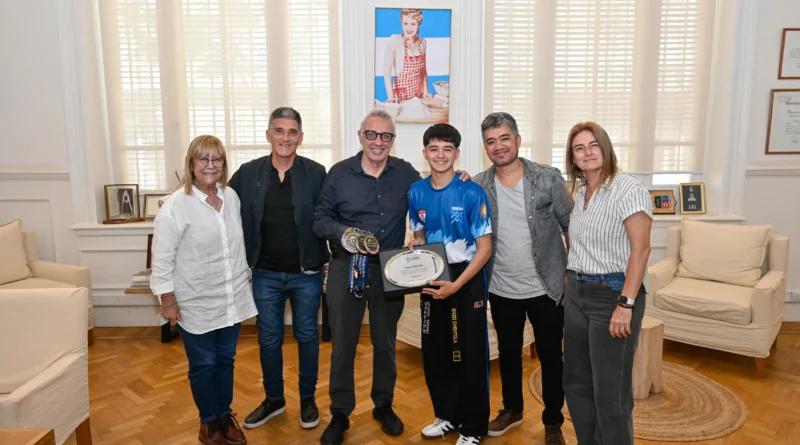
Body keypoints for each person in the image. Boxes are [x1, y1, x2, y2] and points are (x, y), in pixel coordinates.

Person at [312, 109, 469, 445]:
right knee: (343, 345)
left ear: (392, 140)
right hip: (346, 268)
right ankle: (340, 413)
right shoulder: (339, 173)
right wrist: (344, 233)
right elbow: (320, 220)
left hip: (390, 269)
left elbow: (433, 192)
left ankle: (383, 405)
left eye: (385, 136)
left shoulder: (406, 173)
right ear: (361, 136)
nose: (378, 142)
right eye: (371, 134)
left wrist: (460, 179)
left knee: (385, 343)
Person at [151, 135, 257, 445]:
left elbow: (235, 246)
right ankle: (208, 421)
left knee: (226, 360)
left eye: (217, 159)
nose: (210, 165)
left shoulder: (231, 197)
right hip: (195, 300)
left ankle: (224, 414)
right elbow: (162, 259)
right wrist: (168, 302)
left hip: (231, 297)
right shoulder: (175, 206)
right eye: (203, 159)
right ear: (191, 164)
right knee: (203, 364)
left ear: (224, 163)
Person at [473, 112, 572, 445]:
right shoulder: (479, 185)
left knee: (551, 357)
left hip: (547, 286)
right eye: (491, 141)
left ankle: (553, 421)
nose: (498, 146)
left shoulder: (547, 178)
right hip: (502, 288)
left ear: (517, 140)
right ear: (486, 147)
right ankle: (512, 410)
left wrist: (570, 273)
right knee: (509, 353)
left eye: (504, 138)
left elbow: (570, 225)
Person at [228, 107, 329, 431]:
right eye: (280, 131)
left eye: (292, 131)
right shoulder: (248, 173)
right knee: (269, 339)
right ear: (269, 135)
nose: (286, 137)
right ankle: (274, 399)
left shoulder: (316, 173)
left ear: (301, 137)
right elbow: (221, 201)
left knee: (307, 336)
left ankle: (308, 399)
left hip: (306, 273)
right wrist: (183, 197)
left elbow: (333, 210)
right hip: (264, 274)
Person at [562, 122, 652, 445]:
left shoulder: (628, 189)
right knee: (575, 382)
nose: (587, 153)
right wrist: (569, 280)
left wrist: (625, 305)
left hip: (613, 296)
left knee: (609, 392)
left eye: (594, 145)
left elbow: (641, 250)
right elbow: (579, 244)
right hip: (577, 294)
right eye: (579, 148)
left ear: (606, 148)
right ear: (573, 157)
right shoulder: (579, 192)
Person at [407, 124, 492, 445]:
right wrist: (416, 245)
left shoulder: (471, 192)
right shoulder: (416, 191)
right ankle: (448, 415)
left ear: (457, 153)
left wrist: (457, 286)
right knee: (436, 351)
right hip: (432, 272)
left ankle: (473, 427)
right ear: (425, 153)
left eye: (447, 149)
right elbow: (419, 235)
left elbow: (485, 249)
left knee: (469, 354)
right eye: (434, 148)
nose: (440, 155)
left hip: (466, 277)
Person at [382, 8, 431, 103]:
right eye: (405, 23)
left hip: (419, 95)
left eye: (413, 24)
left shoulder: (423, 42)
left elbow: (423, 71)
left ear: (418, 24)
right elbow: (387, 71)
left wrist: (425, 91)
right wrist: (390, 96)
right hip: (401, 96)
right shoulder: (395, 40)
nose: (409, 28)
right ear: (402, 23)